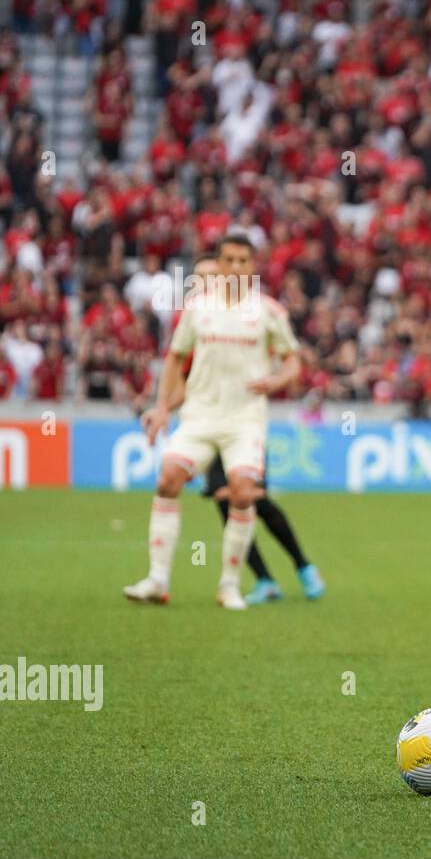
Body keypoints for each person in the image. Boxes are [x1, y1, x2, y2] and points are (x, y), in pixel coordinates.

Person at [123, 235, 301, 609]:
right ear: (218, 265)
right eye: (229, 261)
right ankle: (157, 579)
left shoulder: (269, 311)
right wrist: (161, 409)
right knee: (168, 479)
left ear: (252, 266)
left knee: (241, 491)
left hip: (244, 421)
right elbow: (175, 358)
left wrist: (278, 380)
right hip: (200, 416)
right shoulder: (197, 308)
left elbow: (293, 361)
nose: (235, 268)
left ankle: (230, 585)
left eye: (243, 261)